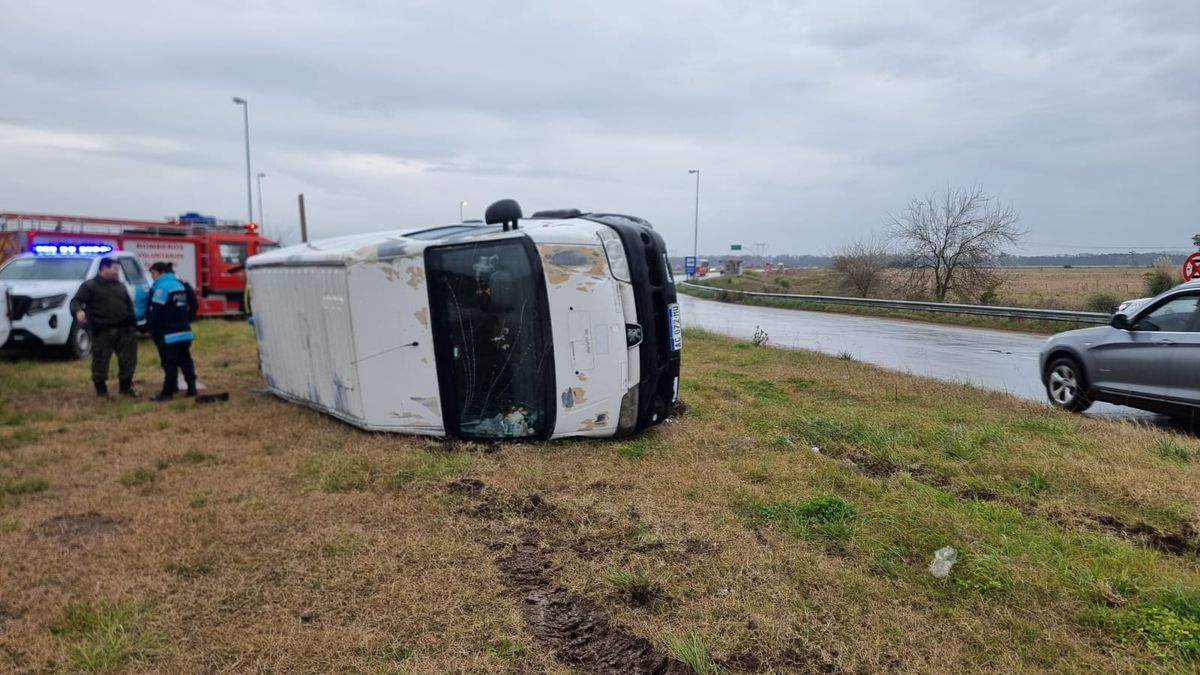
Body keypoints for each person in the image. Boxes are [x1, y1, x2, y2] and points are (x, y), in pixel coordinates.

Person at [70, 257, 139, 398]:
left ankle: (126, 387)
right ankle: (101, 390)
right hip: (103, 330)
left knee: (128, 360)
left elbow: (128, 305)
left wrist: (133, 323)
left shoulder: (120, 286)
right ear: (104, 268)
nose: (117, 272)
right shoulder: (90, 286)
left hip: (124, 329)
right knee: (100, 361)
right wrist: (78, 311)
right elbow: (76, 301)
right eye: (114, 269)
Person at [146, 262, 197, 401]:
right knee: (186, 360)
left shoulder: (162, 287)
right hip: (184, 331)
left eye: (153, 274)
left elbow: (156, 310)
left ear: (161, 272)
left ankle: (167, 392)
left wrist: (150, 327)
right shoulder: (179, 284)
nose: (152, 277)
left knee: (170, 363)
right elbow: (191, 304)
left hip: (168, 333)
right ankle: (192, 388)